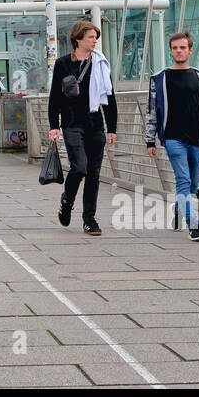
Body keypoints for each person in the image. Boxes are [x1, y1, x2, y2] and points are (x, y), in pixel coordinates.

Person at [145, 29, 199, 242]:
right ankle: (194, 226)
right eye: (175, 48)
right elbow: (151, 110)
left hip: (197, 138)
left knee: (193, 185)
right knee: (183, 179)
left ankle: (178, 208)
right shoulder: (159, 78)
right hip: (172, 138)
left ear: (190, 50)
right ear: (171, 51)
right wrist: (150, 139)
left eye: (182, 48)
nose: (178, 51)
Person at [48, 20, 118, 236]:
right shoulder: (62, 64)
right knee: (79, 167)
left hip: (95, 123)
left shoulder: (100, 63)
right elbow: (55, 97)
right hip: (71, 124)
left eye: (95, 37)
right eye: (90, 37)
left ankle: (90, 219)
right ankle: (67, 201)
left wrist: (112, 128)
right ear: (78, 39)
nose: (94, 40)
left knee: (94, 173)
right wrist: (54, 125)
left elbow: (110, 96)